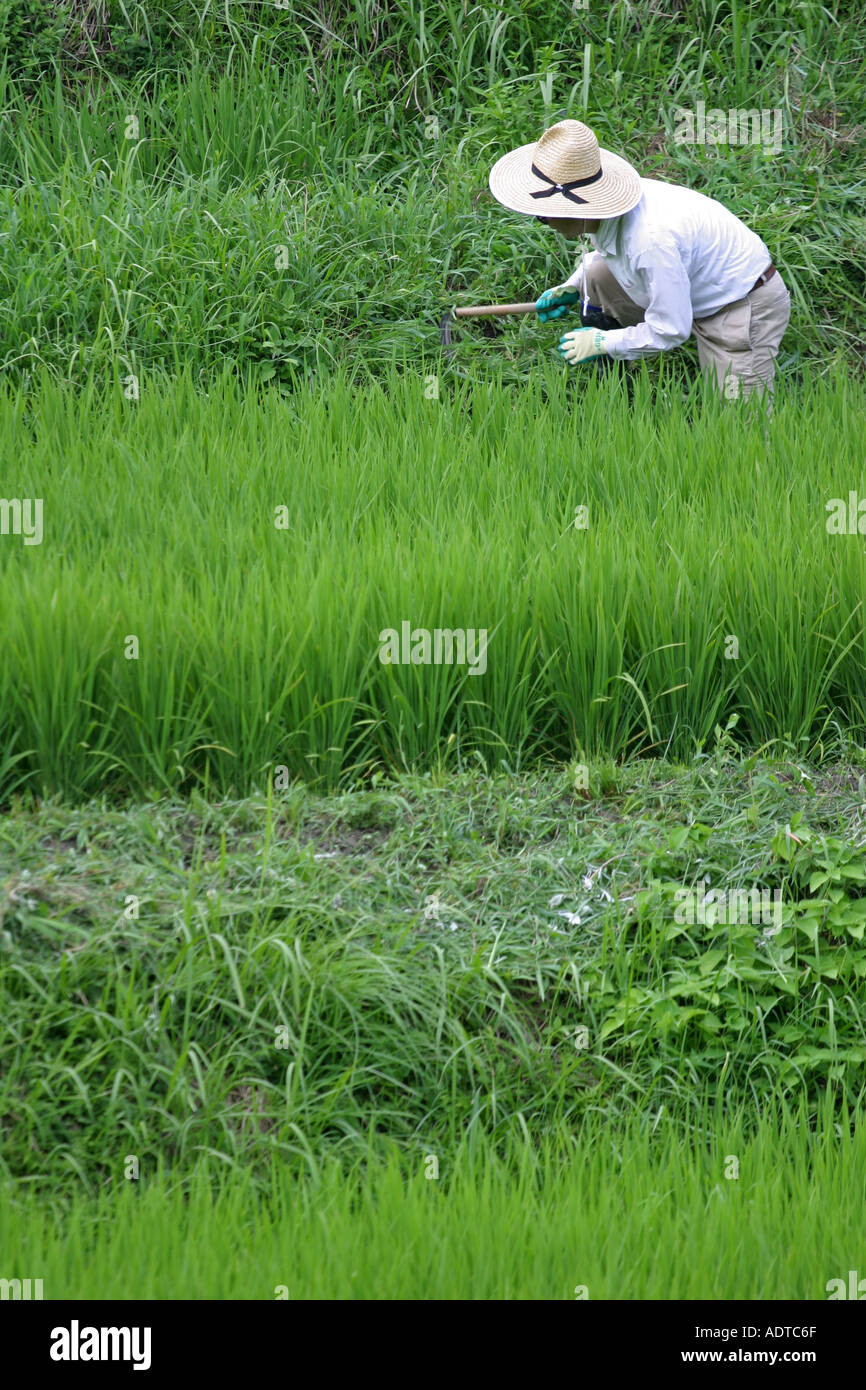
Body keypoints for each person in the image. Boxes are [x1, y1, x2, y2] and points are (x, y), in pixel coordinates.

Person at [488, 119, 790, 404]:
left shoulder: (650, 241)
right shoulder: (606, 213)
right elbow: (608, 254)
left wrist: (601, 343)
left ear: (577, 208)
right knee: (594, 274)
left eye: (543, 214)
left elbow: (672, 328)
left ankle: (617, 351)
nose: (542, 220)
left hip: (739, 305)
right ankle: (615, 392)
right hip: (690, 285)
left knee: (741, 419)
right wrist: (572, 286)